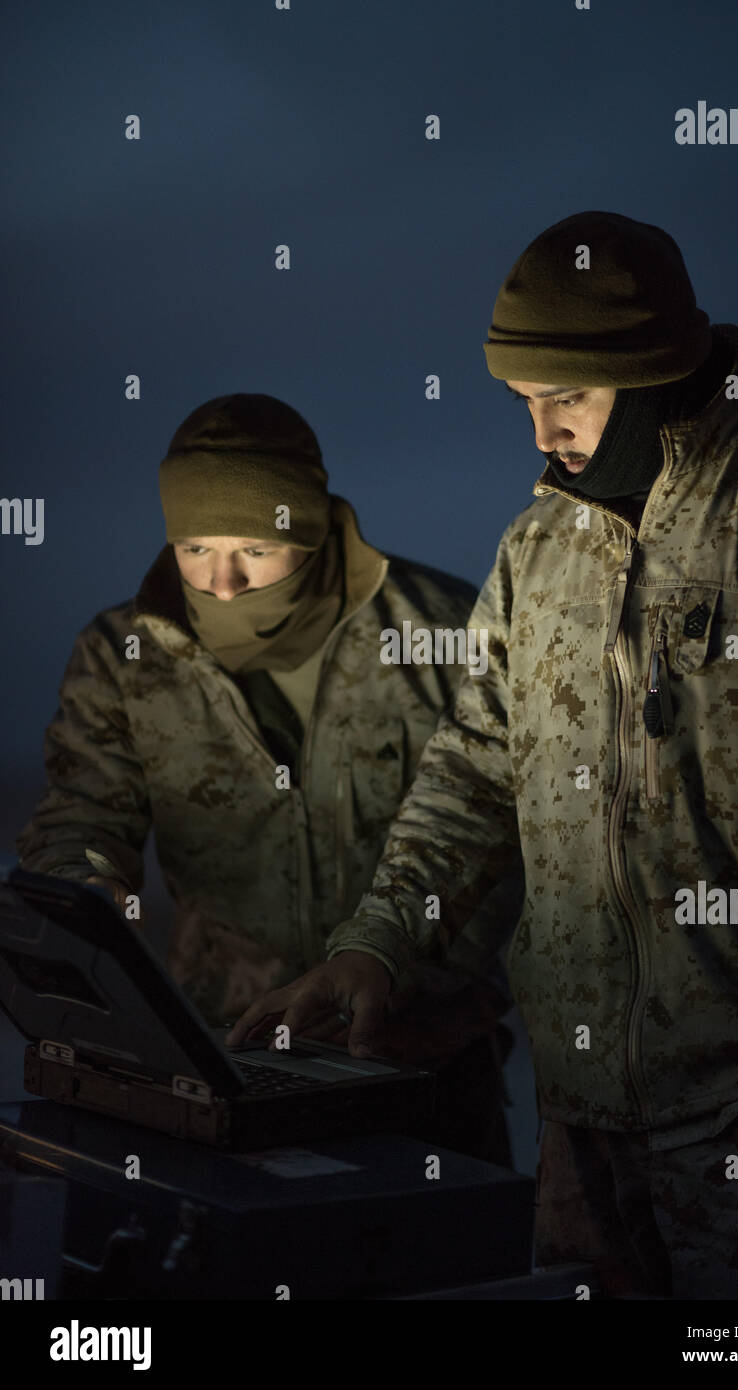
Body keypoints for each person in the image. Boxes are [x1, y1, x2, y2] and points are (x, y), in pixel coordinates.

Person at [228, 213, 738, 1299]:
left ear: (654, 365)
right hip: (582, 1133)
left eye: (566, 397)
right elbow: (476, 774)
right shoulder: (535, 551)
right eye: (524, 403)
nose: (542, 435)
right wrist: (376, 947)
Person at [16, 392, 521, 1166]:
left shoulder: (447, 635)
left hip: (427, 1064)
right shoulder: (123, 655)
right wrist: (85, 906)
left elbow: (501, 833)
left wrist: (403, 977)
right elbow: (82, 816)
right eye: (193, 548)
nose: (221, 582)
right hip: (223, 1059)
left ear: (311, 528)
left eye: (253, 547)